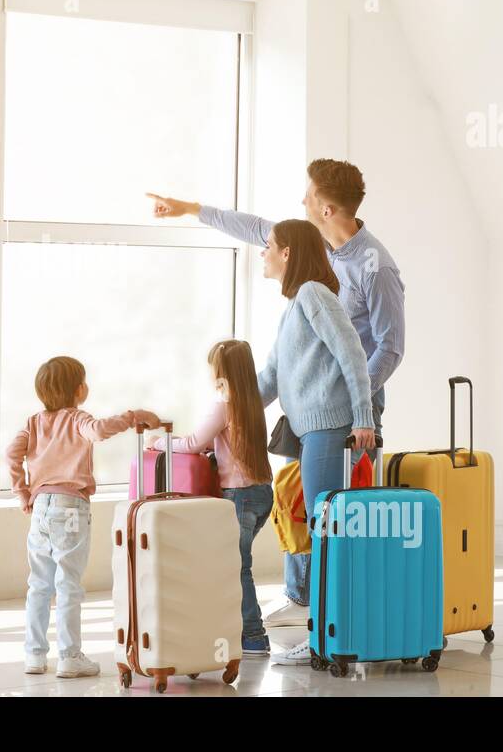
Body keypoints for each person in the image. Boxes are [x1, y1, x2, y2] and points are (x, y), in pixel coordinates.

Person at [147, 158, 404, 627]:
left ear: (325, 209)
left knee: (332, 522)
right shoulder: (304, 270)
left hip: (342, 413)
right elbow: (273, 372)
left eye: (307, 196)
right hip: (310, 413)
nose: (300, 203)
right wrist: (190, 208)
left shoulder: (368, 270)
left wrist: (358, 407)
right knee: (299, 508)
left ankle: (334, 621)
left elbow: (377, 349)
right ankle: (305, 603)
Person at [252, 218, 374, 665]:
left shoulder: (313, 295)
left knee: (325, 532)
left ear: (287, 253)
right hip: (312, 433)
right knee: (321, 529)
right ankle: (329, 631)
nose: (262, 254)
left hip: (330, 430)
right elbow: (268, 379)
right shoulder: (293, 309)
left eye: (268, 247)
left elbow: (353, 352)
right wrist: (228, 411)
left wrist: (363, 417)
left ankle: (325, 637)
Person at [5, 356, 160, 679]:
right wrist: (134, 417)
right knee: (68, 584)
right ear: (79, 390)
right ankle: (69, 656)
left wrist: (22, 492)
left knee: (39, 584)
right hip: (70, 509)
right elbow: (100, 431)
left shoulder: (34, 423)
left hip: (41, 507)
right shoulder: (77, 419)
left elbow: (12, 454)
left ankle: (34, 655)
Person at [146, 339, 274, 657]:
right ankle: (238, 629)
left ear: (221, 371)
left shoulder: (224, 404)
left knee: (237, 567)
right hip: (262, 493)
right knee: (236, 564)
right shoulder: (252, 404)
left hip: (239, 496)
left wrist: (159, 442)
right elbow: (225, 445)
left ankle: (254, 636)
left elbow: (191, 443)